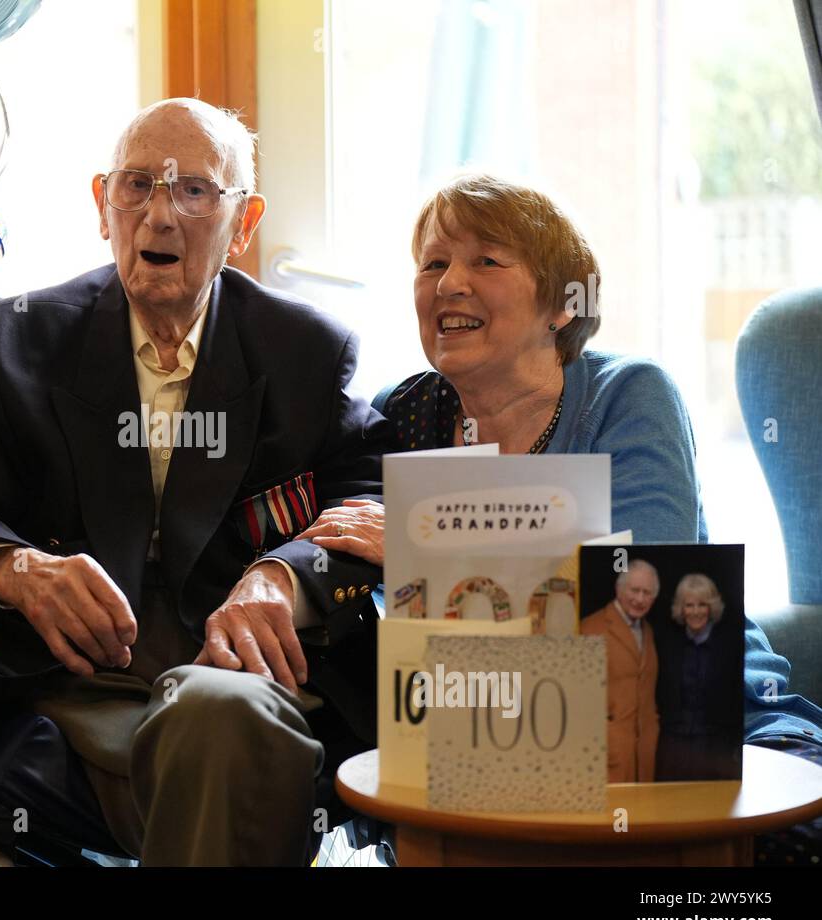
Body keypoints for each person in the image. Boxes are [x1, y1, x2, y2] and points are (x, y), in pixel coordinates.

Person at [0, 97, 388, 866]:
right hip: (74, 683)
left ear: (244, 222)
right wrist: (17, 567)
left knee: (219, 723)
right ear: (102, 204)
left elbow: (373, 497)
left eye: (193, 190)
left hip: (241, 677)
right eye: (137, 186)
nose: (159, 216)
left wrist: (284, 578)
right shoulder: (15, 341)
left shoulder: (307, 351)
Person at [298, 172, 822, 797]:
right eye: (432, 263)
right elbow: (349, 560)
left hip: (705, 725)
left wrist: (423, 547)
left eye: (485, 260)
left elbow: (643, 600)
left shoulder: (628, 395)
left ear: (563, 304)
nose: (449, 284)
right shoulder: (404, 412)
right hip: (492, 738)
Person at [655, 573, 744, 780]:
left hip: (715, 746)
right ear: (681, 609)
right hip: (673, 745)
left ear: (711, 607)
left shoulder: (731, 646)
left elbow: (736, 700)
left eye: (702, 604)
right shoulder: (665, 644)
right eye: (689, 605)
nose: (695, 612)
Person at [580, 562, 662, 782]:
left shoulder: (648, 630)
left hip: (643, 755)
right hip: (607, 755)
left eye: (647, 593)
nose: (640, 599)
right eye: (634, 590)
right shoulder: (590, 629)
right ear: (619, 589)